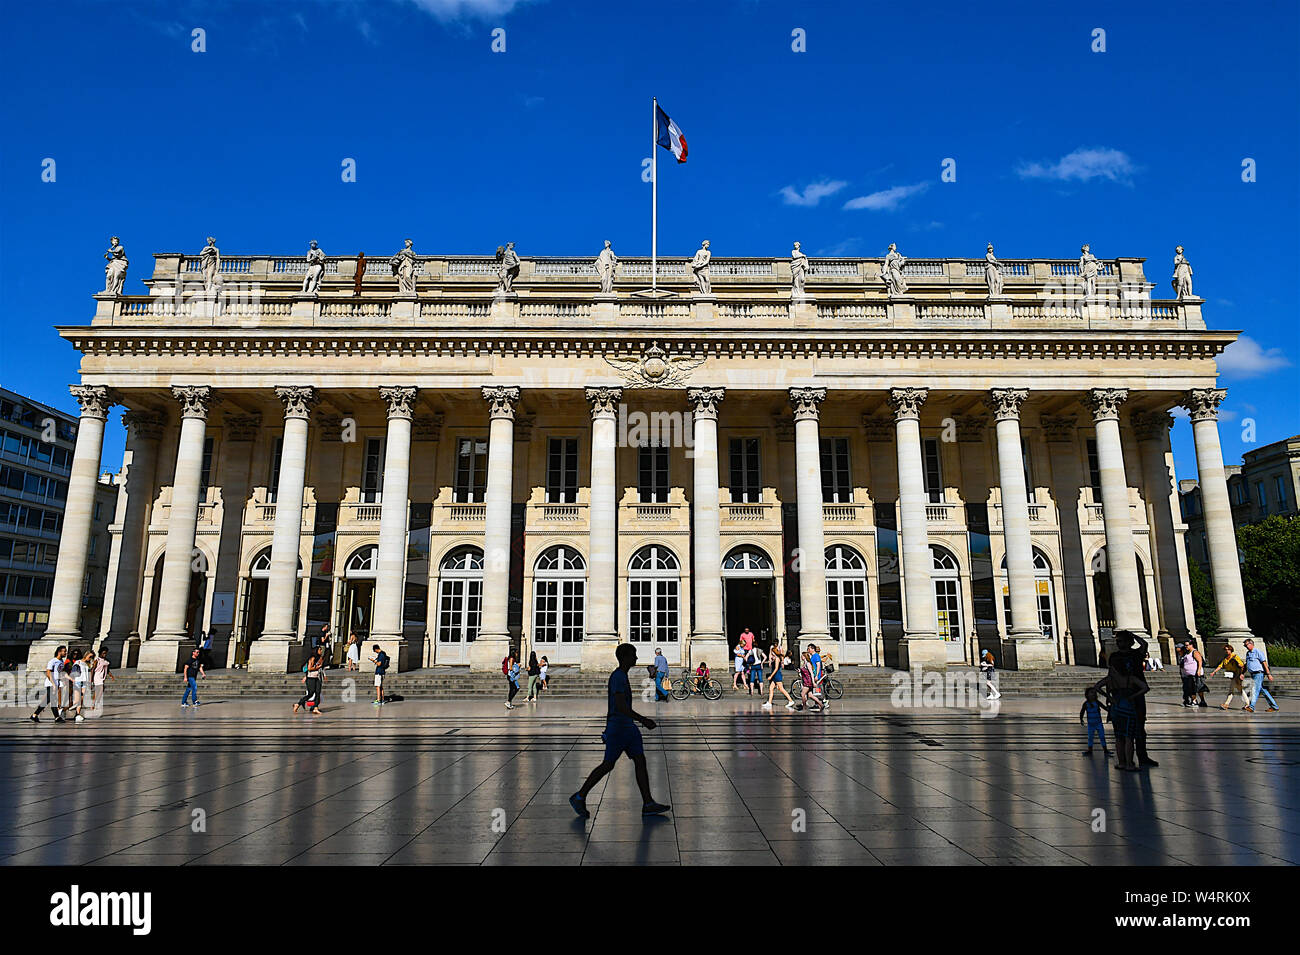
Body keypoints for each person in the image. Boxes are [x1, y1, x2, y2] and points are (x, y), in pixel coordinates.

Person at [569, 643, 670, 819]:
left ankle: (648, 802)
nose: (636, 658)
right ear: (625, 658)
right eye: (633, 655)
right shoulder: (617, 677)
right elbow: (621, 705)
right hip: (618, 727)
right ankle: (580, 796)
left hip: (627, 727)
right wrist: (643, 720)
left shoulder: (622, 675)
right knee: (608, 764)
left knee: (640, 761)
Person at [1098, 630, 1156, 769]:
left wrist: (1132, 634)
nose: (1119, 643)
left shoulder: (1135, 654)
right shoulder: (1115, 657)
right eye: (1118, 641)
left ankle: (1141, 756)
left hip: (1134, 692)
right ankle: (1126, 761)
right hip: (1122, 693)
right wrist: (1109, 694)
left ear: (1129, 642)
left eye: (1122, 641)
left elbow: (1144, 644)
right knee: (1123, 731)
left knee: (1139, 727)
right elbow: (1110, 675)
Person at [31, 645, 67, 723]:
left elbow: (59, 673)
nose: (66, 653)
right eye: (64, 651)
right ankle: (57, 717)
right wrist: (53, 684)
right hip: (51, 683)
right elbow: (48, 672)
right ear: (59, 652)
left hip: (56, 683)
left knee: (49, 700)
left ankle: (35, 715)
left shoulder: (61, 662)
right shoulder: (53, 661)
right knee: (52, 700)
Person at [1209, 644, 1251, 710]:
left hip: (1237, 676)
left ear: (1231, 650)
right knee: (1240, 690)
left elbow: (1242, 665)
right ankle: (1247, 703)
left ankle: (1226, 704)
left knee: (1231, 690)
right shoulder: (1225, 659)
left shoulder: (1234, 657)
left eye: (1228, 649)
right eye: (1225, 650)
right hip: (1232, 676)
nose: (1227, 651)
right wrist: (1214, 672)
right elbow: (1220, 666)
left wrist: (1240, 668)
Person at [1243, 638, 1278, 712]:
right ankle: (1274, 706)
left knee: (1254, 689)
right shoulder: (1248, 653)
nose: (1245, 646)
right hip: (1253, 674)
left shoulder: (1258, 652)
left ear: (1251, 644)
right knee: (1263, 690)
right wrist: (1242, 673)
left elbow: (1264, 663)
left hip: (1259, 673)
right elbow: (1247, 664)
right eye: (1245, 645)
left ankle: (1251, 706)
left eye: (1246, 645)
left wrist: (1268, 674)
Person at [762, 642, 797, 710]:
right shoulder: (775, 659)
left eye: (772, 652)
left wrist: (771, 676)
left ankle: (791, 700)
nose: (771, 654)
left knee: (781, 689)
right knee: (771, 688)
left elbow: (776, 669)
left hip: (777, 675)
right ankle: (769, 702)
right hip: (775, 675)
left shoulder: (777, 659)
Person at [1079, 686, 1111, 757]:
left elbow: (1104, 707)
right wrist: (1081, 719)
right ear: (1087, 695)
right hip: (1091, 724)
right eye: (1091, 693)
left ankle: (1105, 749)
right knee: (1090, 737)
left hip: (1099, 723)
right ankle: (1090, 749)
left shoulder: (1097, 702)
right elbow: (1082, 711)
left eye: (1094, 693)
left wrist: (1109, 709)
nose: (1093, 694)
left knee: (1102, 736)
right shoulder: (1086, 704)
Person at [294, 647, 326, 716]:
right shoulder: (312, 658)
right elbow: (309, 668)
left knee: (318, 692)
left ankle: (315, 708)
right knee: (310, 693)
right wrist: (317, 667)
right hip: (311, 678)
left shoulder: (320, 658)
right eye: (320, 649)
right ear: (316, 651)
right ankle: (298, 704)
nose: (321, 651)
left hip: (317, 678)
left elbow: (321, 667)